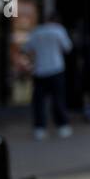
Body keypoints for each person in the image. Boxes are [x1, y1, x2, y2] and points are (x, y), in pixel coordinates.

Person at [22, 10, 73, 140]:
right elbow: (67, 47)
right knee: (58, 99)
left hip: (40, 70)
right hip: (56, 69)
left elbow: (26, 48)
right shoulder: (58, 30)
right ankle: (62, 126)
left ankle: (40, 128)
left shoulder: (37, 31)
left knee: (39, 101)